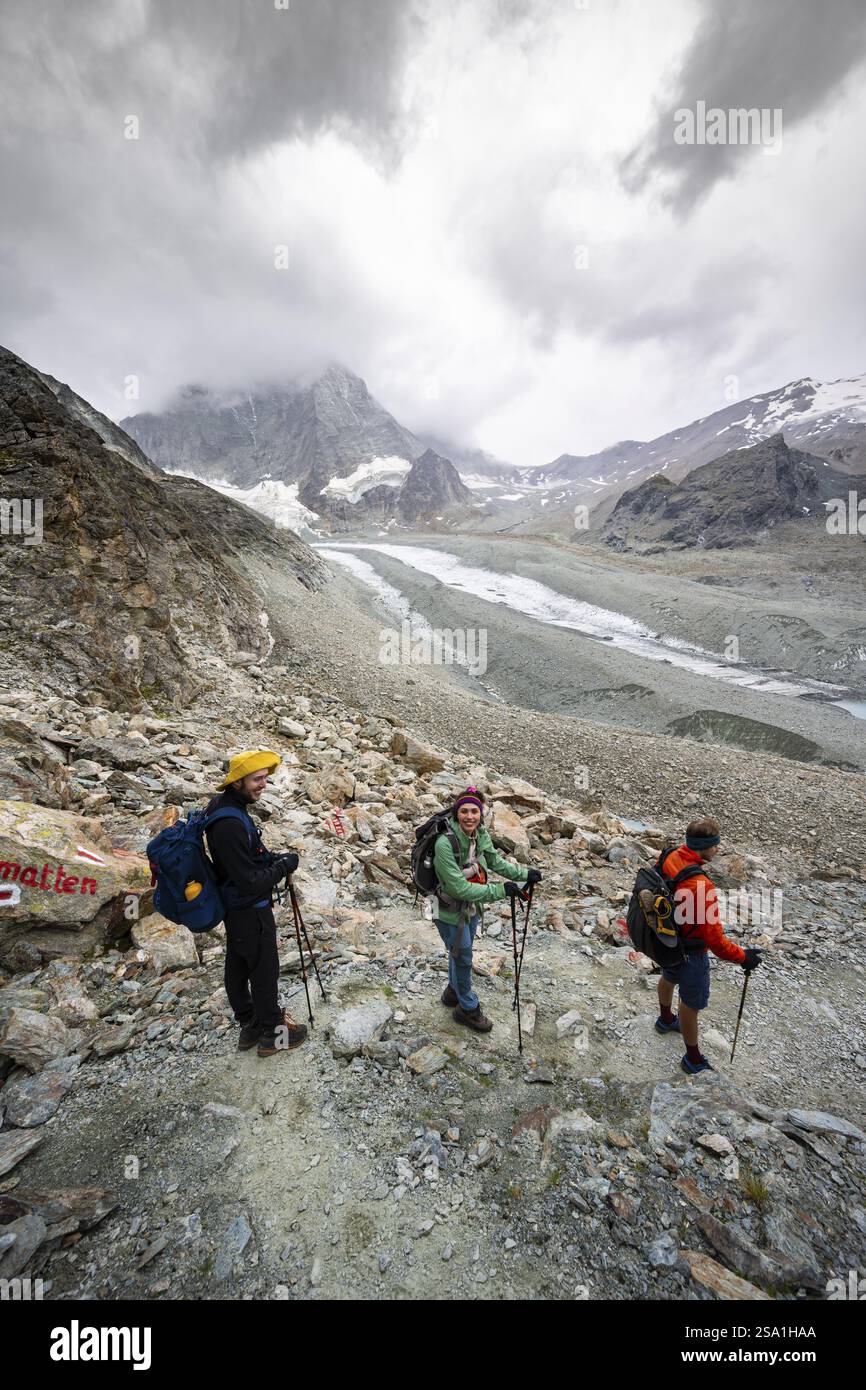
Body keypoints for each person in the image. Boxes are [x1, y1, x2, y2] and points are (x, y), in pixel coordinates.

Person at [205, 749, 308, 1059]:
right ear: (237, 781)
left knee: (238, 962)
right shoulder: (229, 823)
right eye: (257, 779)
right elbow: (249, 880)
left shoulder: (226, 808)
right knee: (264, 969)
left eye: (265, 778)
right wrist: (283, 867)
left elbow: (245, 861)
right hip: (249, 907)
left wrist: (273, 859)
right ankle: (273, 1033)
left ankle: (249, 1023)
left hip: (236, 908)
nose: (263, 784)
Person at [654, 817, 762, 1074]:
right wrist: (743, 957)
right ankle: (692, 1059)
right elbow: (715, 942)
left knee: (668, 976)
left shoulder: (670, 855)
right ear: (703, 847)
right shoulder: (701, 886)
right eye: (715, 845)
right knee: (690, 1005)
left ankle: (665, 1019)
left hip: (669, 939)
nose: (718, 849)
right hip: (692, 951)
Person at [432, 787, 542, 1034]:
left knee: (458, 950)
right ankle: (467, 1008)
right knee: (463, 955)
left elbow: (494, 861)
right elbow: (458, 888)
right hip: (447, 908)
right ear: (456, 813)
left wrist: (525, 874)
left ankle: (453, 991)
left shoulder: (478, 834)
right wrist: (502, 891)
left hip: (471, 906)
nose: (469, 816)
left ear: (480, 814)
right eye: (464, 811)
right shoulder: (443, 844)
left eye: (474, 811)